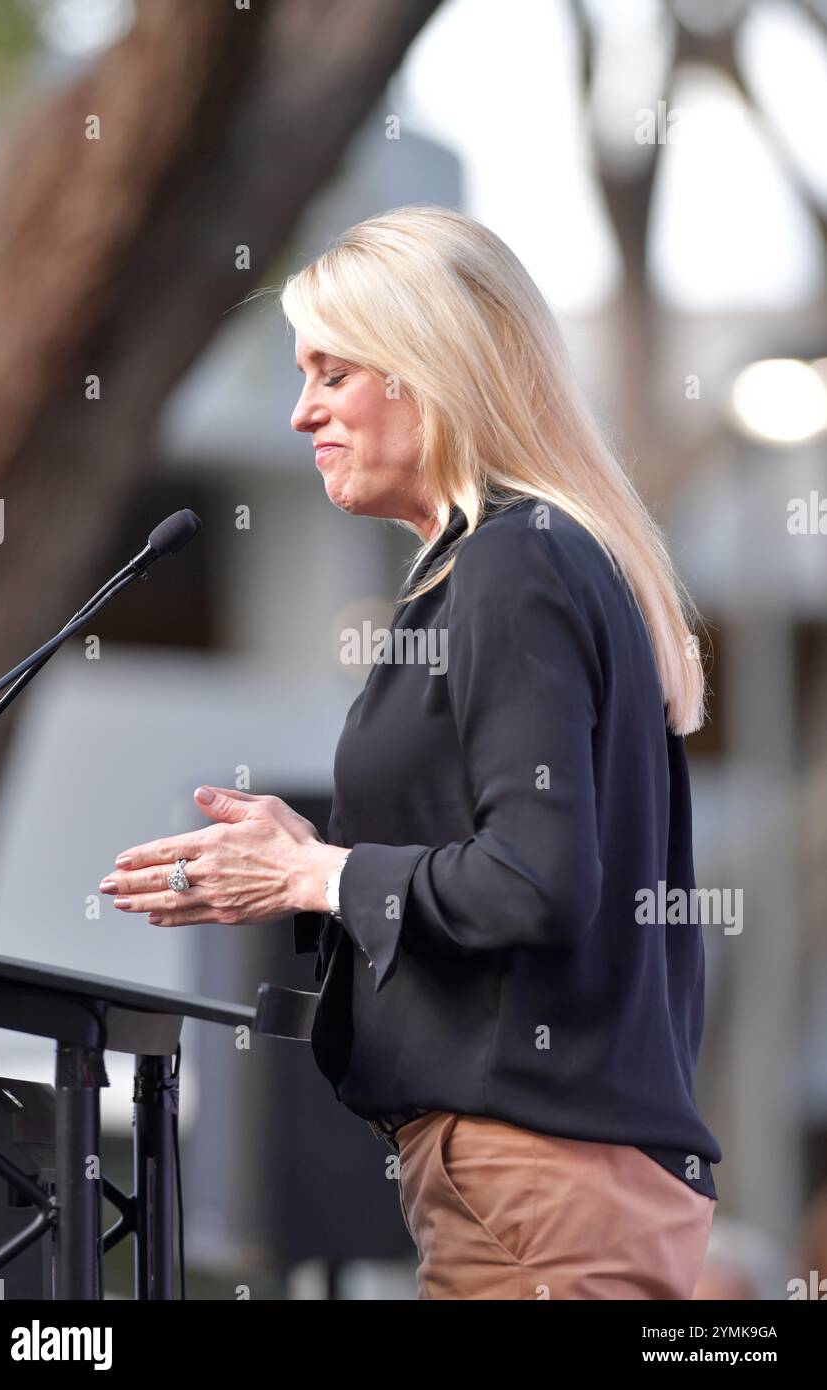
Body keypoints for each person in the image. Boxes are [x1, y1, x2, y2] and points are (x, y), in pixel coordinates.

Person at [99, 205, 722, 1300]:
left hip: (543, 1188)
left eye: (332, 374)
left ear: (429, 371)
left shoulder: (511, 566)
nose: (301, 413)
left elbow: (533, 880)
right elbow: (504, 864)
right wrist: (310, 864)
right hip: (526, 1186)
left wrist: (317, 872)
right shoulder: (508, 563)